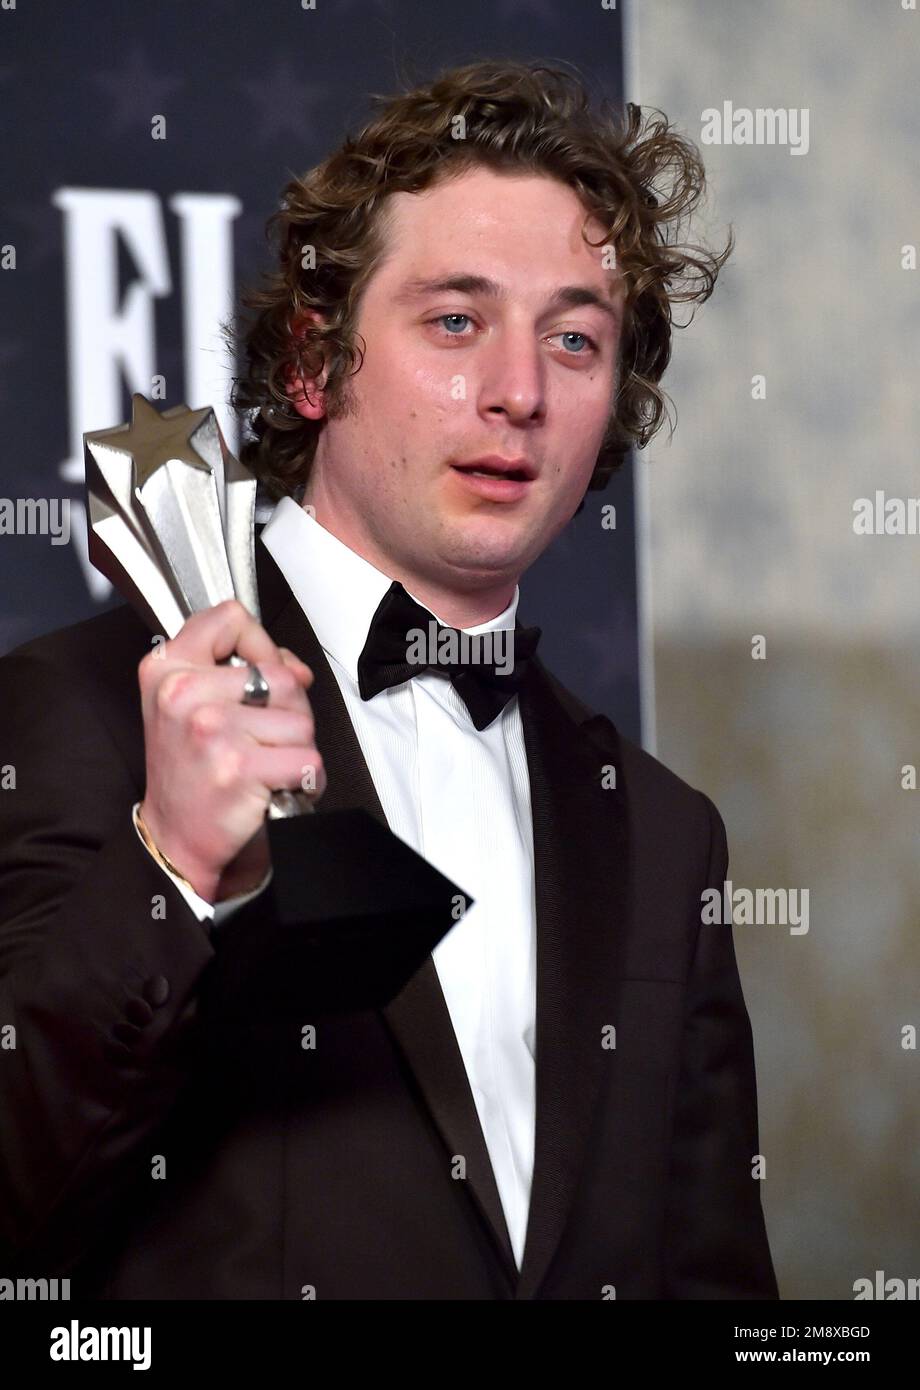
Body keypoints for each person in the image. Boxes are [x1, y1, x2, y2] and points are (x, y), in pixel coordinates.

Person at [0, 59, 778, 1299]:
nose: (517, 392)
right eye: (455, 322)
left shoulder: (665, 831)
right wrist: (173, 872)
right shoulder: (79, 711)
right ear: (314, 365)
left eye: (573, 338)